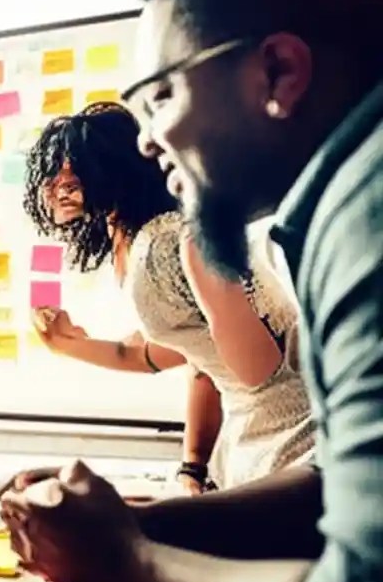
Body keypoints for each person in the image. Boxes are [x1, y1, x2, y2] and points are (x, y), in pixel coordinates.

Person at [0, 0, 383, 582]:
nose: (147, 140)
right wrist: (140, 523)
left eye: (161, 96)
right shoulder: (332, 214)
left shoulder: (369, 215)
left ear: (280, 72)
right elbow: (335, 483)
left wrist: (123, 559)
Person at [23, 102, 315, 491]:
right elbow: (186, 353)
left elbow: (254, 369)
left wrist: (220, 295)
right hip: (254, 436)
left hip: (292, 438)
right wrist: (66, 344)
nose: (57, 185)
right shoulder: (140, 242)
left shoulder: (165, 243)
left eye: (68, 171)